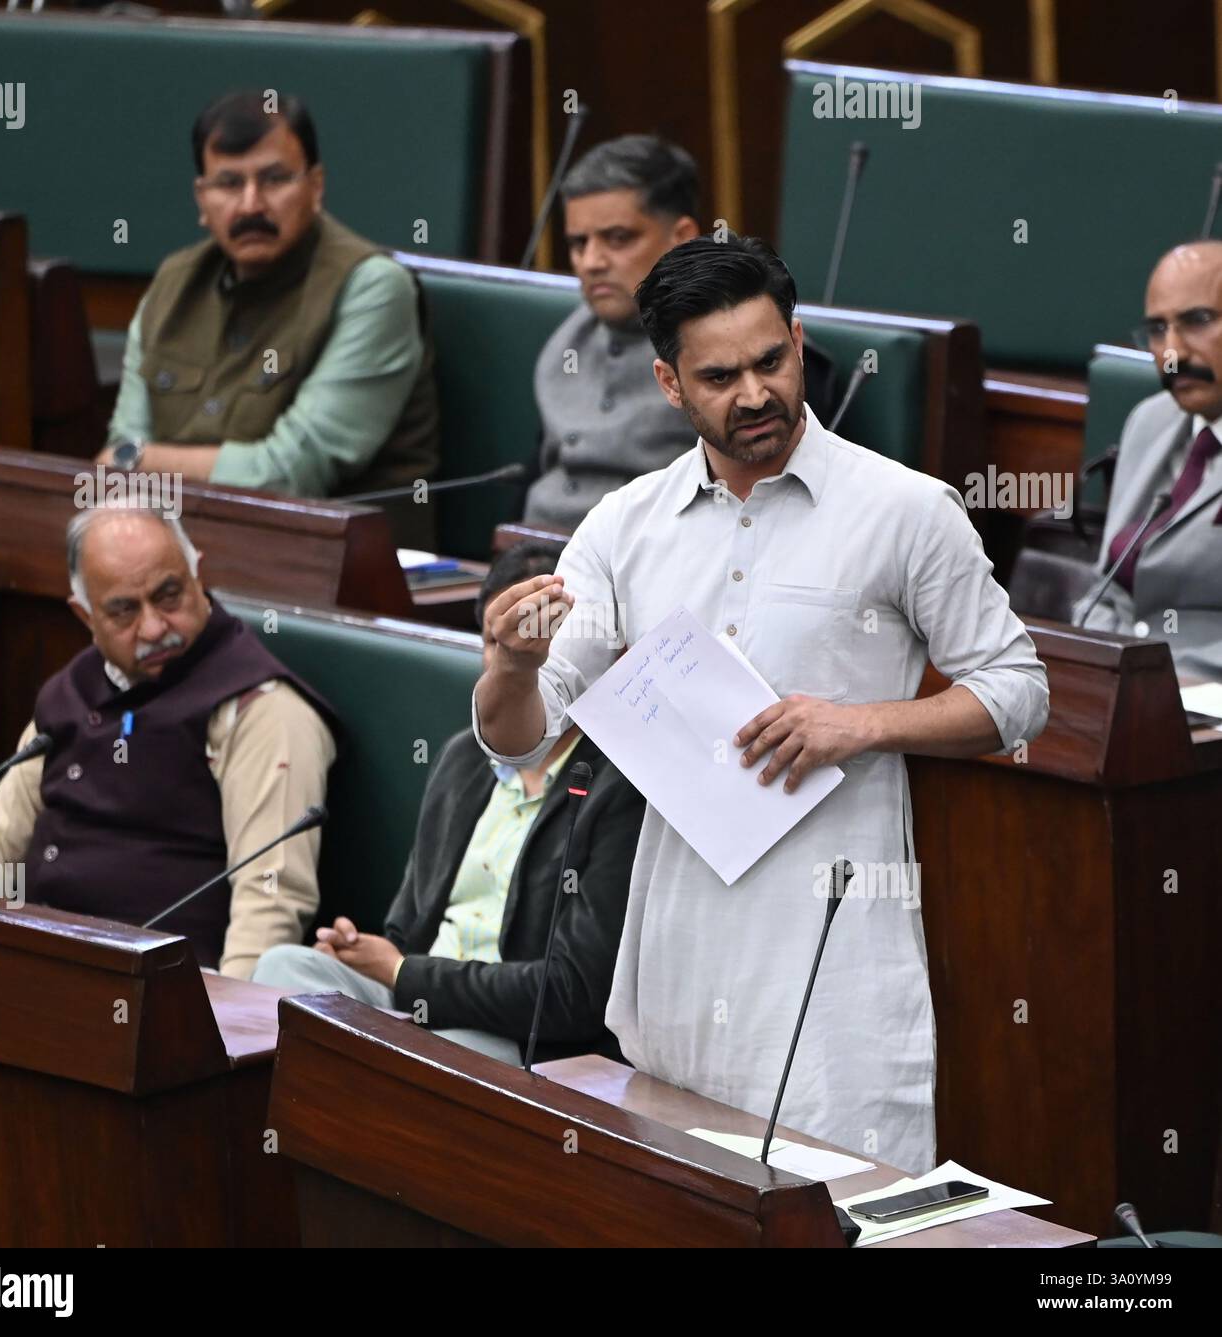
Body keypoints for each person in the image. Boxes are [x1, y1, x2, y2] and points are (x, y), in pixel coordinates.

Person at [475, 236, 1049, 1171]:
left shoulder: (906, 509)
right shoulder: (624, 525)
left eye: (771, 361)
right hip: (674, 957)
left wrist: (863, 723)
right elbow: (522, 738)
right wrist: (507, 665)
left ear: (798, 337)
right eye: (718, 375)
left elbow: (1019, 692)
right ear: (669, 383)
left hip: (835, 965)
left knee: (841, 1217)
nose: (754, 394)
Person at [253, 543, 645, 1065]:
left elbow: (573, 994)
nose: (524, 660)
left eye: (544, 642)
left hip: (512, 1040)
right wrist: (362, 952)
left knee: (433, 1064)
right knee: (284, 970)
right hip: (411, 1008)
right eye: (499, 642)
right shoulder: (465, 756)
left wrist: (401, 972)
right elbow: (407, 931)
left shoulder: (620, 784)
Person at [0, 500, 337, 979]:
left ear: (197, 576)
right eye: (123, 611)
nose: (153, 627)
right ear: (85, 617)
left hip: (163, 999)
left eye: (169, 596)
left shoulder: (261, 710)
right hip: (36, 967)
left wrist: (230, 1033)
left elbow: (270, 902)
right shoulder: (70, 692)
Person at [103, 90, 439, 544]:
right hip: (182, 549)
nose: (250, 205)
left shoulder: (372, 287)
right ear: (201, 199)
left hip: (334, 571)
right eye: (228, 184)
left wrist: (139, 461)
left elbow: (286, 477)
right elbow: (121, 459)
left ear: (316, 187)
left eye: (274, 179)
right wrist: (132, 462)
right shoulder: (172, 283)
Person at [522, 135, 840, 532]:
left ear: (682, 234)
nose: (591, 262)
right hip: (538, 558)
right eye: (578, 243)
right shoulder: (564, 342)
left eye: (618, 238)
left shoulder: (760, 355)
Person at [1074, 240, 1222, 678]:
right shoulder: (1151, 421)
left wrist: (1152, 679)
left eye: (1197, 321)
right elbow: (1105, 587)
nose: (1173, 352)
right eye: (1158, 330)